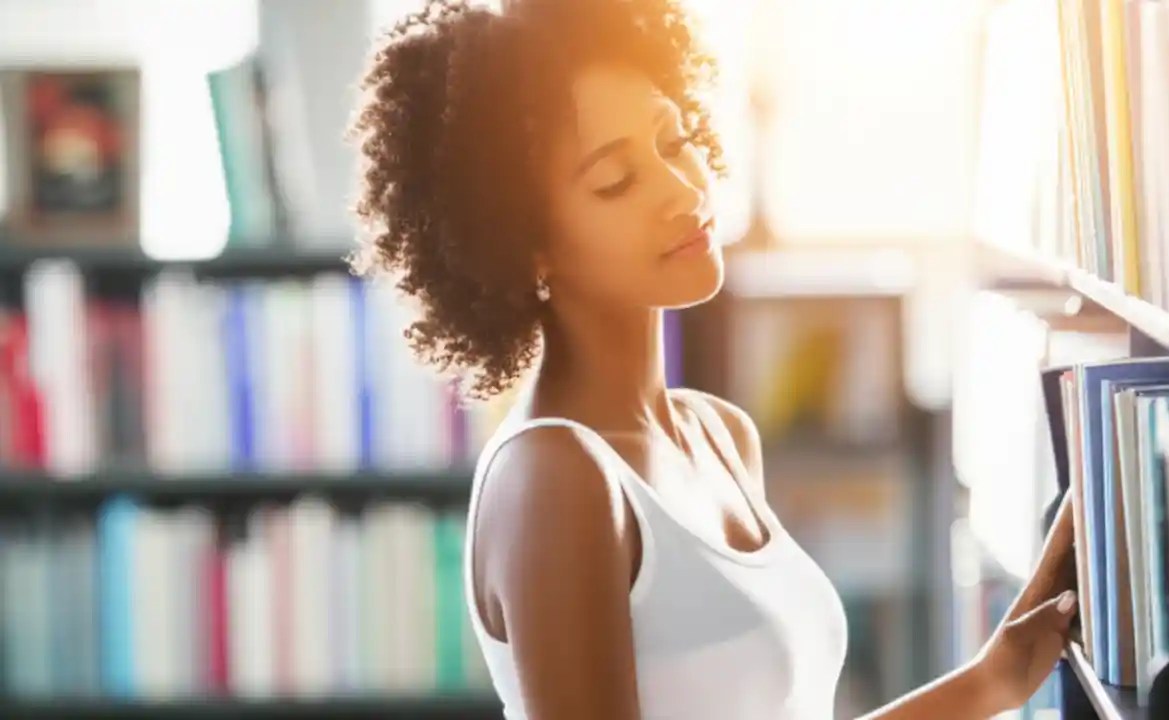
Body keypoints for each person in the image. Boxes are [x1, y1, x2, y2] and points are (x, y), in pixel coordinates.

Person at [347, 0, 1078, 717]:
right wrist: (990, 686)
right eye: (616, 181)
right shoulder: (556, 478)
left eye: (672, 140)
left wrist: (995, 678)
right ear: (523, 242)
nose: (680, 190)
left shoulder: (719, 437)